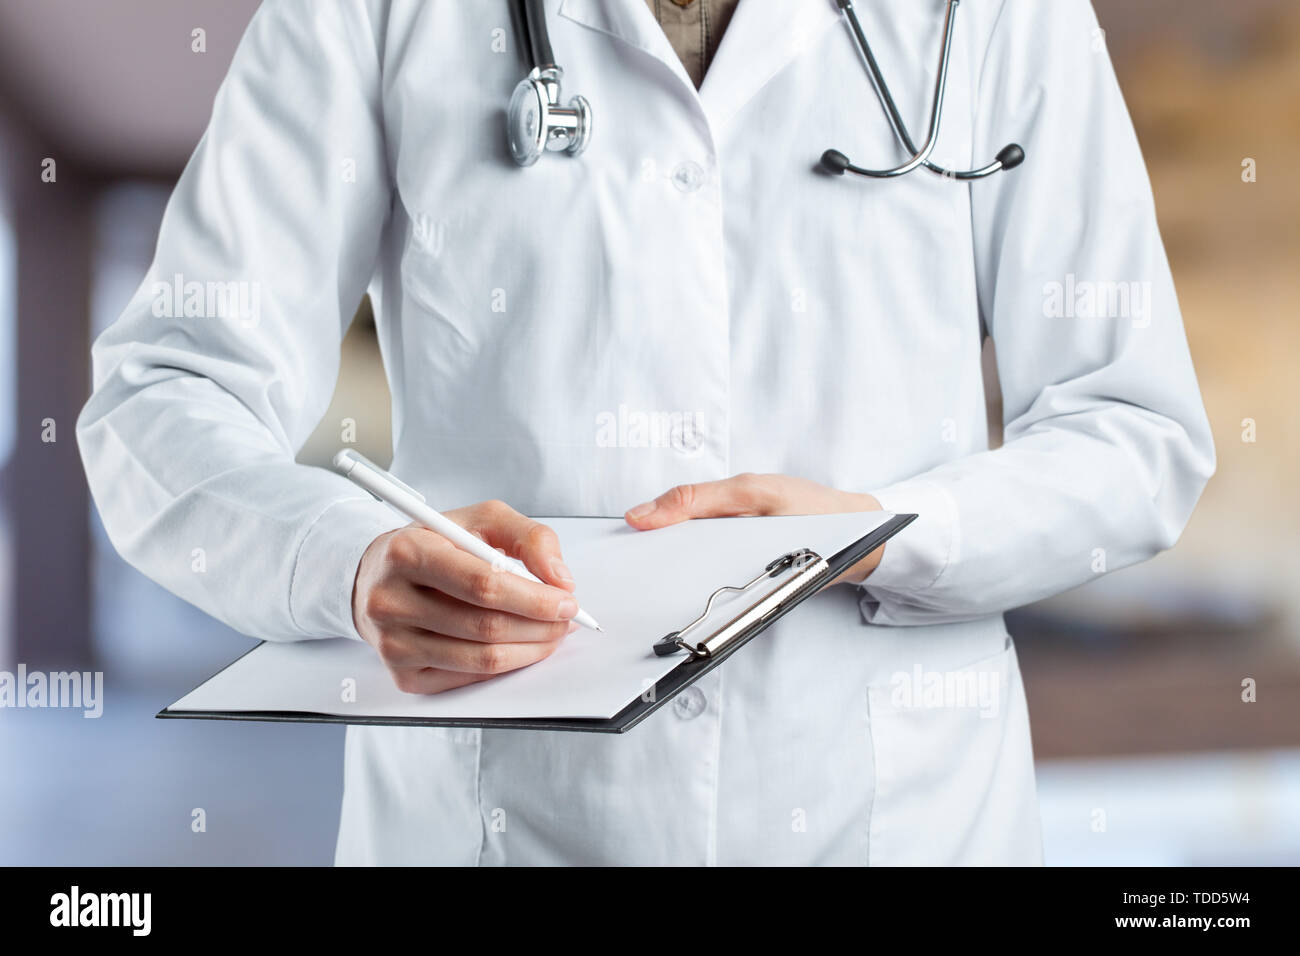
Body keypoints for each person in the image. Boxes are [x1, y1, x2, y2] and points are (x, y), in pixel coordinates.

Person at [77, 0, 1214, 865]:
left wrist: (881, 533)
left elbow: (1133, 429)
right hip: (499, 822)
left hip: (901, 818)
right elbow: (161, 396)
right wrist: (345, 561)